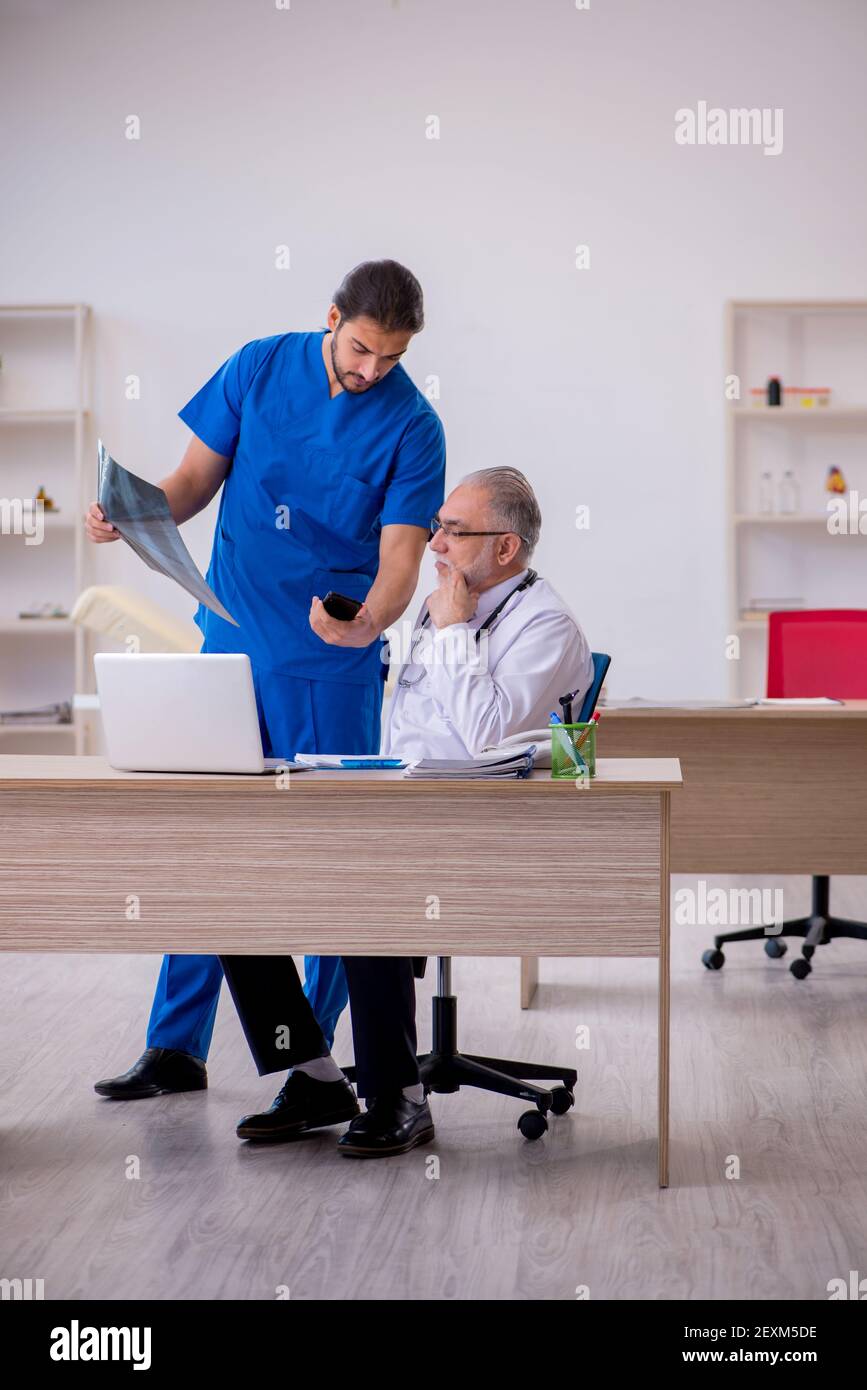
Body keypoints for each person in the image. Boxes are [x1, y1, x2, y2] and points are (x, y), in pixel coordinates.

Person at [86, 259, 446, 1102]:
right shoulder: (256, 366)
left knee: (328, 865)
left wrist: (370, 621)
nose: (371, 372)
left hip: (331, 665)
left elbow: (400, 561)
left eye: (390, 359)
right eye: (361, 350)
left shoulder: (412, 426)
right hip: (231, 641)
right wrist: (131, 509)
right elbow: (188, 486)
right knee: (209, 845)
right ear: (330, 319)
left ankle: (307, 1066)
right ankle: (176, 1049)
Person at [220, 467, 594, 1157]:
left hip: (489, 831)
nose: (435, 544)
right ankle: (314, 1076)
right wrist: (362, 632)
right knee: (235, 887)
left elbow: (487, 735)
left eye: (454, 531)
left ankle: (400, 1098)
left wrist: (452, 632)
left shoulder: (546, 625)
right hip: (400, 810)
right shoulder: (439, 605)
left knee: (374, 889)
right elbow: (407, 725)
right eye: (437, 527)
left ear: (506, 548)